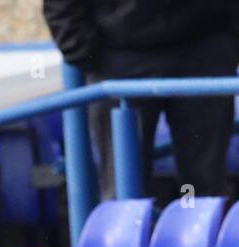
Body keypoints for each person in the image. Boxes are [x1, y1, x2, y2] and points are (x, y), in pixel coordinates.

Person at [43, 0, 239, 199]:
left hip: (206, 49)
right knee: (123, 189)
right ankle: (131, 228)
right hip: (118, 59)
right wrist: (85, 52)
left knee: (205, 188)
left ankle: (201, 227)